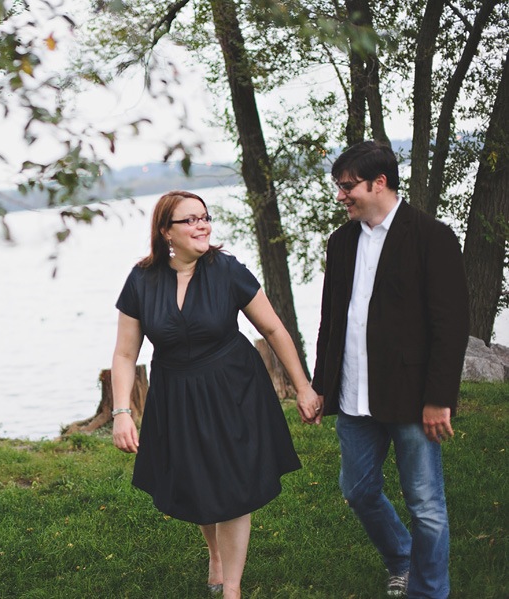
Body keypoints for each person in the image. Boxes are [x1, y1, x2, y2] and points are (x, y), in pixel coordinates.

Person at [111, 190, 320, 599]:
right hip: (175, 393)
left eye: (204, 217)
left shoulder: (227, 270)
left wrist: (303, 387)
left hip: (232, 388)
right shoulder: (141, 279)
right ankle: (216, 554)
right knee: (197, 481)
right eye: (189, 220)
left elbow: (274, 329)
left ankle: (233, 590)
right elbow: (123, 352)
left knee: (231, 485)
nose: (202, 225)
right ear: (165, 231)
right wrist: (121, 411)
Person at [310, 141, 469, 598]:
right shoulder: (340, 243)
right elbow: (332, 320)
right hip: (354, 397)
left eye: (347, 186)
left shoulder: (431, 236)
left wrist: (439, 398)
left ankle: (429, 590)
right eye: (339, 187)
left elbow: (450, 324)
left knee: (426, 505)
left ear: (379, 183)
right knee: (358, 492)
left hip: (412, 397)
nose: (341, 195)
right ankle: (401, 558)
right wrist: (323, 386)